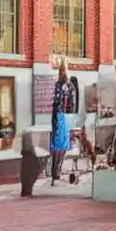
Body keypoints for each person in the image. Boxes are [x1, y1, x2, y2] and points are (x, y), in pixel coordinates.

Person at [49, 56, 77, 185]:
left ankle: (55, 171)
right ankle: (57, 171)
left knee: (57, 144)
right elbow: (73, 104)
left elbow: (56, 102)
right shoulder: (70, 86)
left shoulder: (59, 85)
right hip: (66, 117)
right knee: (63, 145)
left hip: (58, 116)